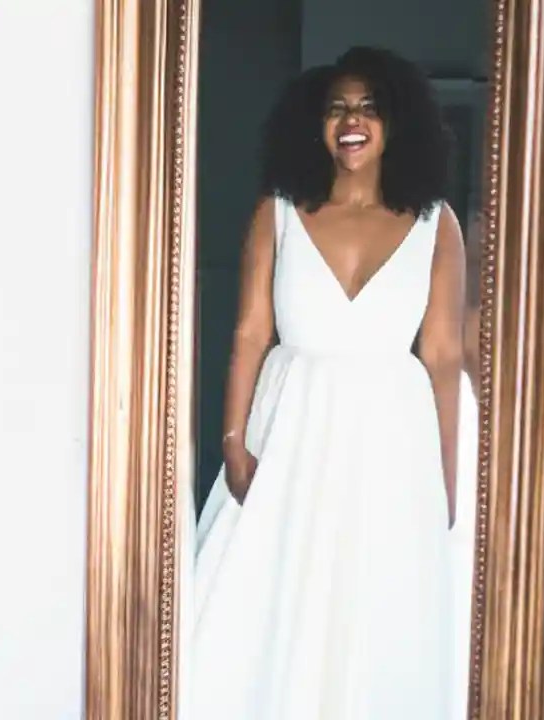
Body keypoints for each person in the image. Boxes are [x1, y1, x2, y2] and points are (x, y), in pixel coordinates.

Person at [190, 47, 463, 718]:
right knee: (259, 598)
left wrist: (448, 474)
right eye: (337, 106)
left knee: (374, 607)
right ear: (313, 122)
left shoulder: (437, 224)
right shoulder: (279, 211)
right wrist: (232, 441)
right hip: (289, 429)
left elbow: (443, 352)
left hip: (389, 439)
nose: (352, 120)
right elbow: (252, 332)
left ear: (397, 124)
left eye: (371, 106)